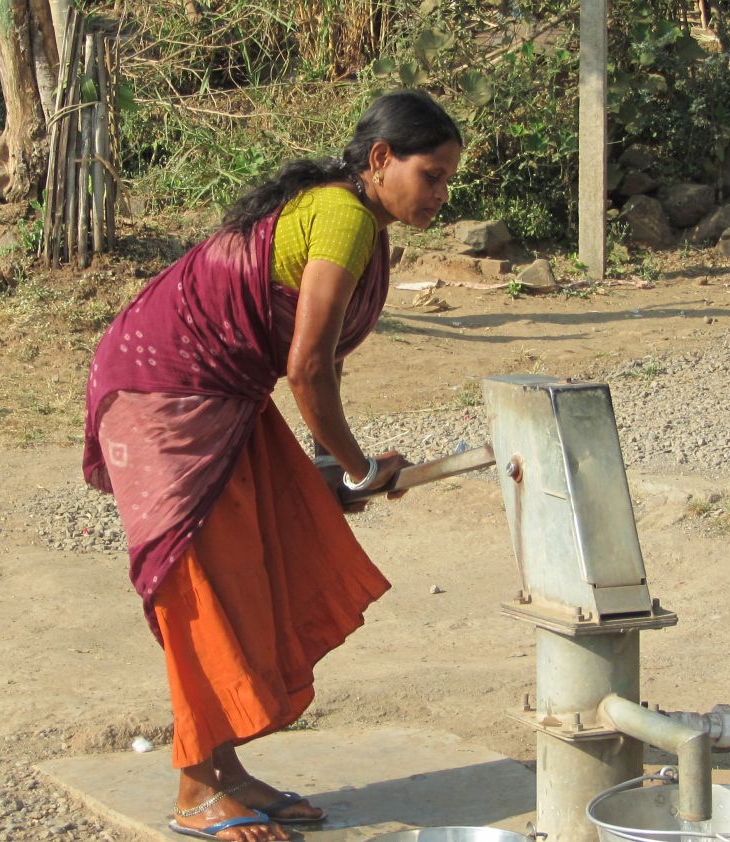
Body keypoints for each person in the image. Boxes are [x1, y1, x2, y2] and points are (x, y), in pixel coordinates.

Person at [82, 90, 464, 842]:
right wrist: (358, 470)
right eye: (432, 176)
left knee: (254, 567)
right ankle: (196, 789)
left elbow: (323, 358)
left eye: (448, 181)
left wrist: (333, 467)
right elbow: (307, 368)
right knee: (201, 585)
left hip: (220, 392)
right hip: (165, 390)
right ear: (380, 159)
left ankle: (225, 772)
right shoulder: (344, 216)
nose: (441, 195)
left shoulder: (358, 225)